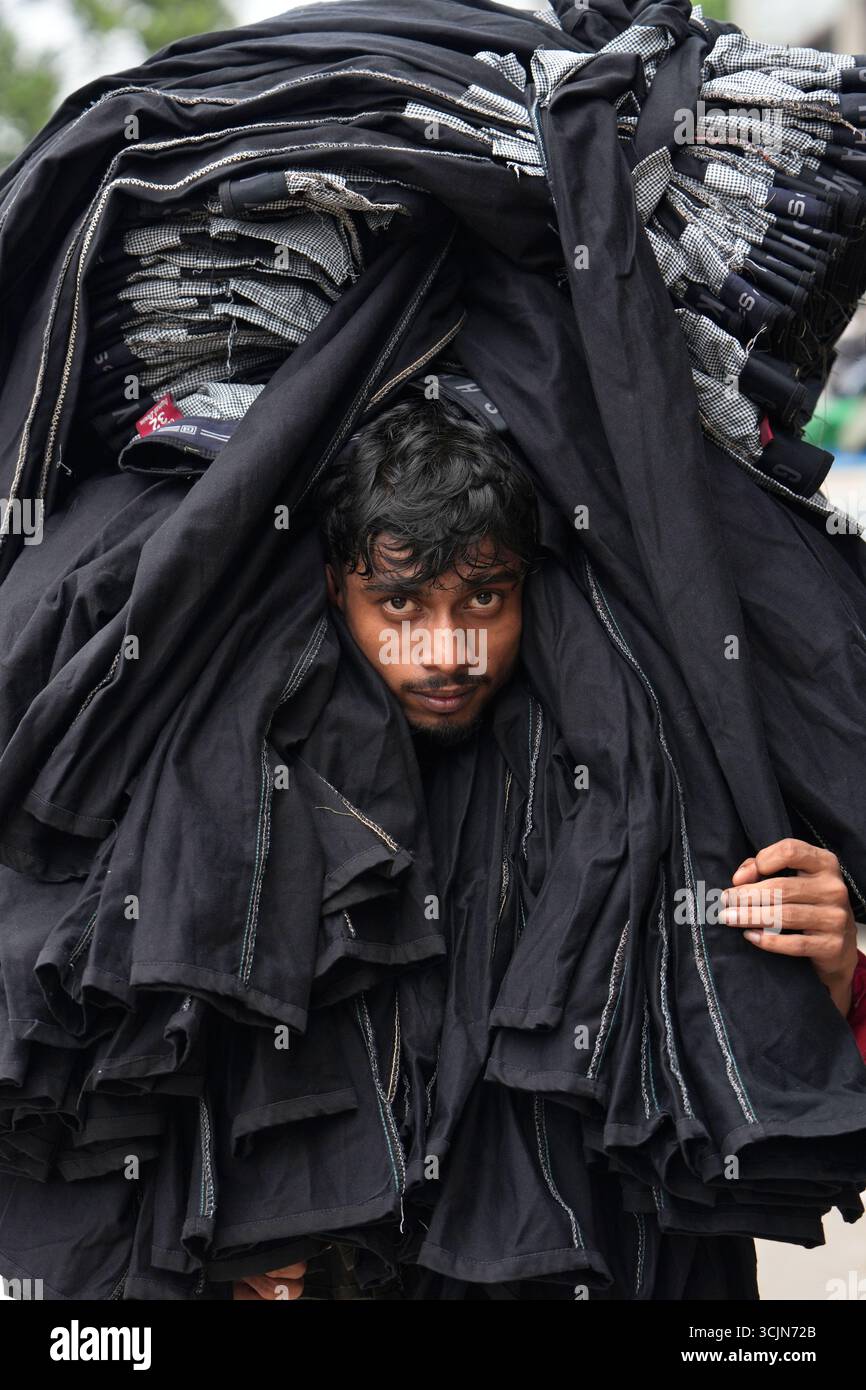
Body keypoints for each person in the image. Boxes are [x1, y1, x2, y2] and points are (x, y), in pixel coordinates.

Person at [234, 392, 866, 1301]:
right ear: (338, 591)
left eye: (483, 598)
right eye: (401, 603)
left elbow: (748, 1043)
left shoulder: (662, 780)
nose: (446, 651)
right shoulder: (271, 783)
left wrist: (835, 977)